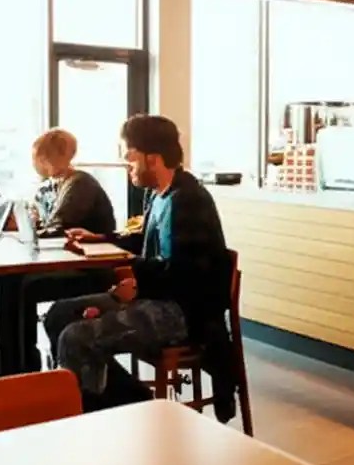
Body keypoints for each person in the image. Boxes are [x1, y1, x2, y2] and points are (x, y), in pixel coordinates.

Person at [42, 115, 235, 415]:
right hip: (155, 296)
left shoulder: (188, 200)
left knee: (76, 337)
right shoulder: (158, 194)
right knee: (57, 315)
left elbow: (185, 276)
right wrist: (101, 238)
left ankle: (114, 413)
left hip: (180, 312)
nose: (126, 165)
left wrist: (134, 281)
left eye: (130, 159)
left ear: (153, 158)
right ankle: (130, 401)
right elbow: (143, 242)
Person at [17, 128, 118, 370]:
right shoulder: (64, 184)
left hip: (94, 271)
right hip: (79, 263)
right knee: (22, 286)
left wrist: (33, 228)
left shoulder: (80, 184)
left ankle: (25, 366)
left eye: (39, 158)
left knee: (26, 288)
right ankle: (23, 363)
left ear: (48, 158)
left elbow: (60, 224)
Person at [30, 128, 116, 237]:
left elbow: (59, 228)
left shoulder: (80, 184)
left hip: (93, 249)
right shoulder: (48, 188)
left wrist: (30, 233)